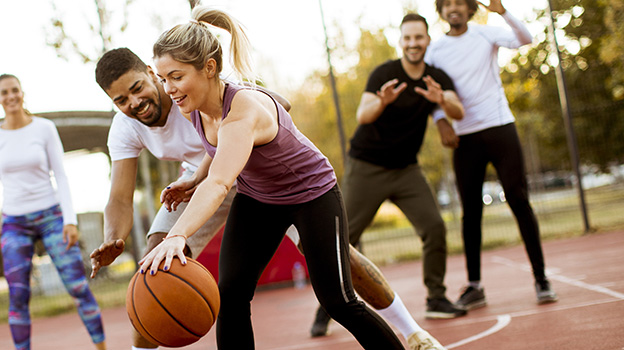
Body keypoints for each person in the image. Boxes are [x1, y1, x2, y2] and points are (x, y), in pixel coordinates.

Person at [91, 47, 444, 350]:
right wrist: (114, 237)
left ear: (151, 73)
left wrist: (247, 113)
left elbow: (273, 108)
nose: (134, 103)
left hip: (265, 178)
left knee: (339, 275)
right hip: (207, 179)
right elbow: (120, 196)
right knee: (156, 264)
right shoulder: (134, 124)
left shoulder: (202, 90)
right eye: (120, 100)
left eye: (137, 88)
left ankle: (413, 331)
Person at [140, 7, 406, 349]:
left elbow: (220, 183)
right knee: (231, 293)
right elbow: (219, 148)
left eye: (176, 77)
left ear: (209, 68)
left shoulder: (243, 110)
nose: (169, 89)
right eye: (163, 79)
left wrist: (177, 234)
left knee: (339, 302)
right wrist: (194, 179)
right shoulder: (197, 106)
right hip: (260, 199)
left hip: (312, 196)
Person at [310, 13, 467, 335]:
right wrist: (382, 102)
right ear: (401, 41)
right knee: (343, 237)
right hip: (367, 167)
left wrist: (440, 101)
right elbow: (363, 115)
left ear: (427, 40)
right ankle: (327, 307)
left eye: (419, 37)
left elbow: (458, 110)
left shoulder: (435, 78)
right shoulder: (385, 74)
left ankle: (436, 298)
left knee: (434, 227)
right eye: (408, 38)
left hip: (406, 170)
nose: (413, 43)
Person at [425, 0, 558, 309]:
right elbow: (431, 93)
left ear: (470, 8)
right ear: (441, 11)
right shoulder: (435, 51)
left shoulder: (486, 34)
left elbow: (525, 39)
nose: (454, 8)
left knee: (518, 198)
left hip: (500, 127)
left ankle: (541, 279)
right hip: (465, 137)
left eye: (460, 3)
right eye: (447, 4)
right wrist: (441, 121)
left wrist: (503, 12)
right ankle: (475, 286)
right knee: (470, 212)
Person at [0, 74, 106, 350]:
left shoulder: (44, 128)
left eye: (15, 90)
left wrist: (70, 220)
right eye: (4, 92)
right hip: (14, 222)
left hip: (51, 217)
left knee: (77, 286)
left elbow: (61, 175)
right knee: (18, 297)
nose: (11, 96)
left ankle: (101, 347)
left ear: (22, 93)